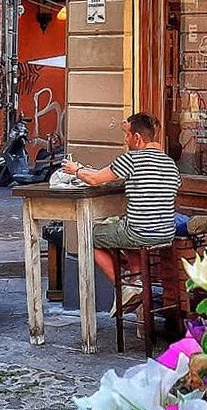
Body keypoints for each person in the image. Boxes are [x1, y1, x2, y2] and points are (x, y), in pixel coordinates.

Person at [63, 113, 181, 288]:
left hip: (139, 233)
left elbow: (95, 179)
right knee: (121, 227)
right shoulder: (170, 163)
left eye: (127, 135)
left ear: (137, 137)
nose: (126, 140)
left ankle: (124, 287)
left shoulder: (131, 159)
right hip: (165, 232)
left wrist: (76, 169)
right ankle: (136, 276)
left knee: (89, 236)